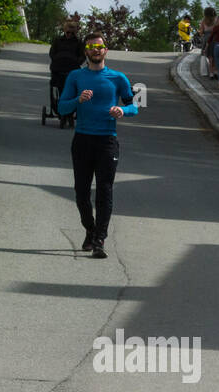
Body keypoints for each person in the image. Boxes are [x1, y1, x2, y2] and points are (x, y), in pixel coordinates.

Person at [56, 34, 139, 259]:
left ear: (106, 50)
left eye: (99, 47)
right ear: (86, 51)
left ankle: (100, 239)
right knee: (81, 193)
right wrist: (77, 101)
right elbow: (62, 108)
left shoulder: (117, 78)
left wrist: (123, 110)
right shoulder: (76, 77)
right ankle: (90, 229)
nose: (96, 50)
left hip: (107, 141)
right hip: (82, 140)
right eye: (91, 47)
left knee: (104, 190)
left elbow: (134, 107)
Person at [48, 23, 85, 129]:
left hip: (72, 71)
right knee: (60, 90)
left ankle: (68, 113)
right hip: (59, 70)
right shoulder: (58, 41)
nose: (69, 35)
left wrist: (77, 62)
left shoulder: (78, 43)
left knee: (72, 93)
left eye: (72, 33)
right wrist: (57, 60)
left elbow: (82, 56)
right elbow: (52, 53)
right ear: (64, 31)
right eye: (67, 32)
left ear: (75, 33)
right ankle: (62, 111)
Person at [198, 7, 217, 76]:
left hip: (206, 39)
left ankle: (210, 72)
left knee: (208, 55)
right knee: (214, 55)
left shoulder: (203, 20)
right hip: (215, 38)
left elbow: (201, 32)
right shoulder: (216, 20)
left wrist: (200, 32)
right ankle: (215, 71)